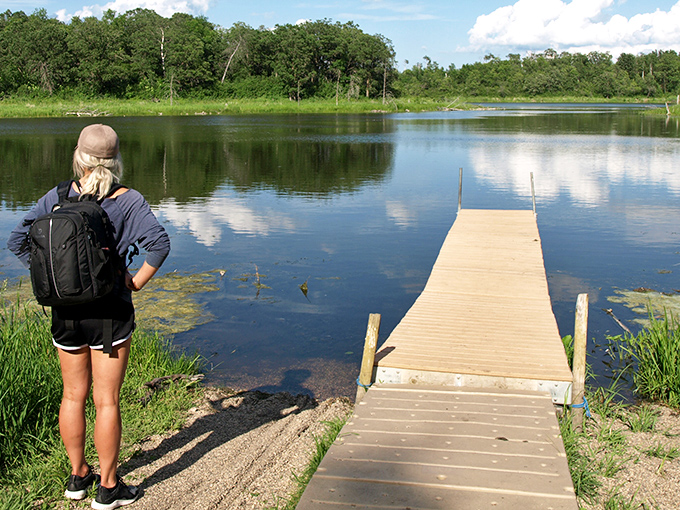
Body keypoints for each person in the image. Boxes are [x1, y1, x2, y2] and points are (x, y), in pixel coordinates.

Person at [7, 124, 170, 509]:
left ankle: (78, 477)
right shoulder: (127, 199)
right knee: (107, 400)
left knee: (72, 395)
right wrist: (135, 282)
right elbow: (159, 244)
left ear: (79, 156)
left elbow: (18, 240)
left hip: (65, 312)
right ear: (116, 161)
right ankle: (108, 488)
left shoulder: (58, 195)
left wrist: (52, 277)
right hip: (109, 313)